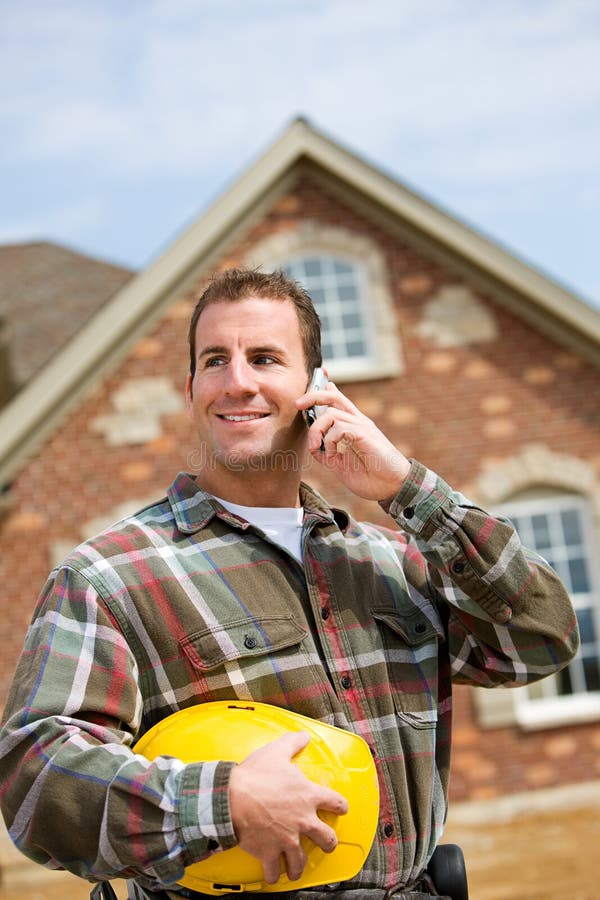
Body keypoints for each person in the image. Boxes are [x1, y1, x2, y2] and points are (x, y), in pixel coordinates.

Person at [0, 268, 579, 900]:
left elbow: (542, 637)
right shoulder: (109, 578)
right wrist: (218, 803)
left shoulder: (392, 562)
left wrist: (407, 490)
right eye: (215, 360)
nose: (238, 381)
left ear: (315, 387)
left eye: (265, 358)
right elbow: (36, 775)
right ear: (191, 388)